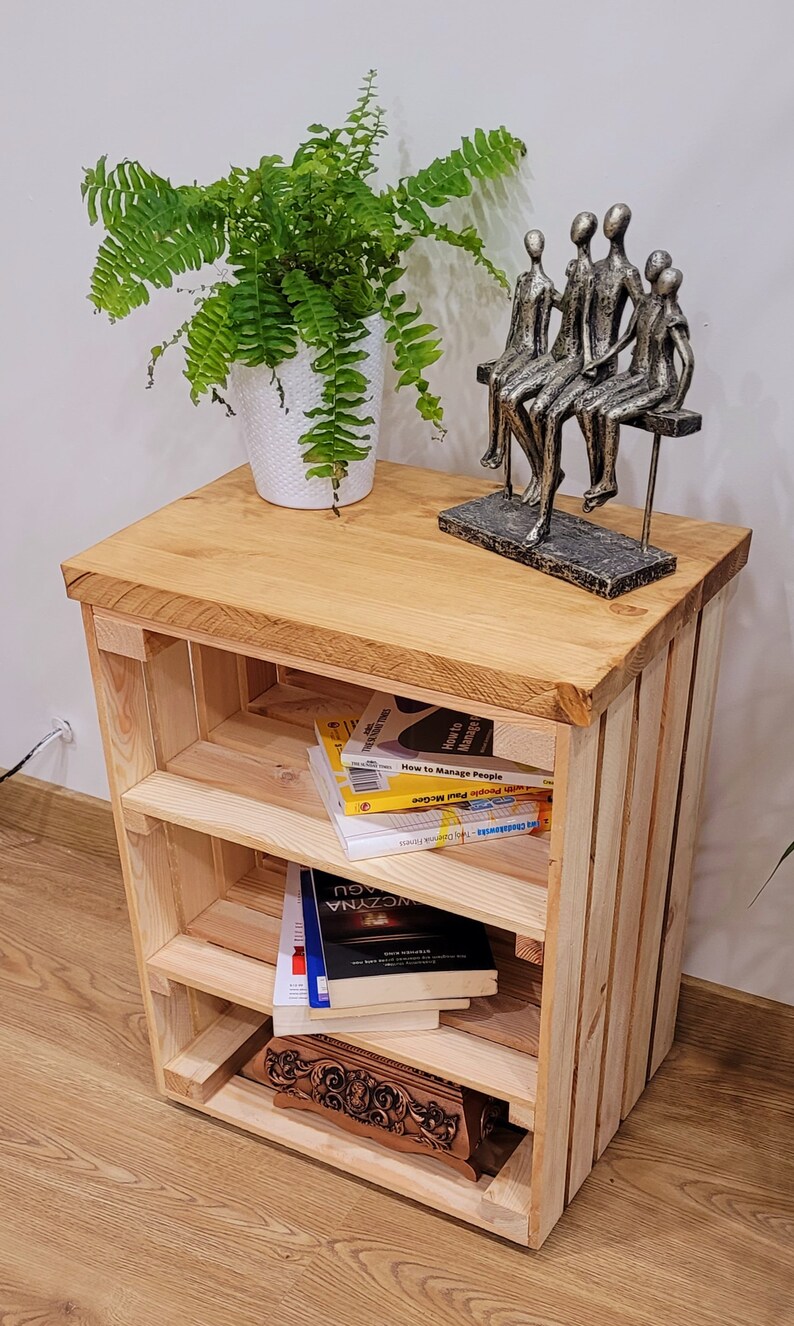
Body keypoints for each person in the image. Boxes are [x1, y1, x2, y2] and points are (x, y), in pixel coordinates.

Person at [521, 203, 644, 547]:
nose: (608, 225)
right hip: (582, 361)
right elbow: (585, 321)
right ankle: (548, 483)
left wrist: (618, 356)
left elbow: (640, 321)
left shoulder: (628, 274)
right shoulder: (594, 269)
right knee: (538, 410)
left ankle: (545, 517)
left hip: (602, 367)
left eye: (614, 221)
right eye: (607, 219)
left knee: (554, 415)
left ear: (622, 227)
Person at [498, 211, 598, 502]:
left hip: (574, 358)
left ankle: (548, 475)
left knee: (537, 410)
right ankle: (540, 470)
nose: (574, 230)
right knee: (507, 396)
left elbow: (588, 323)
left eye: (580, 227)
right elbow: (567, 308)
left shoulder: (590, 273)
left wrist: (592, 362)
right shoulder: (575, 270)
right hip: (556, 352)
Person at [579, 266, 695, 510]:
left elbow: (688, 361)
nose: (654, 280)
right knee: (586, 404)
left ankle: (609, 480)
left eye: (661, 281)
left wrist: (676, 401)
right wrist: (597, 361)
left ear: (669, 288)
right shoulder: (648, 306)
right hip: (641, 377)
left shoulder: (674, 320)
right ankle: (598, 475)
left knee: (611, 414)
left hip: (661, 385)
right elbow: (626, 338)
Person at [480, 229, 561, 471]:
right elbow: (515, 319)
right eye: (530, 244)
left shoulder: (547, 285)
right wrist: (506, 351)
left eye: (536, 244)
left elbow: (543, 327)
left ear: (542, 247)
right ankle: (494, 441)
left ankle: (501, 446)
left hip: (531, 349)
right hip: (516, 344)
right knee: (495, 376)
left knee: (504, 380)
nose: (533, 248)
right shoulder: (522, 280)